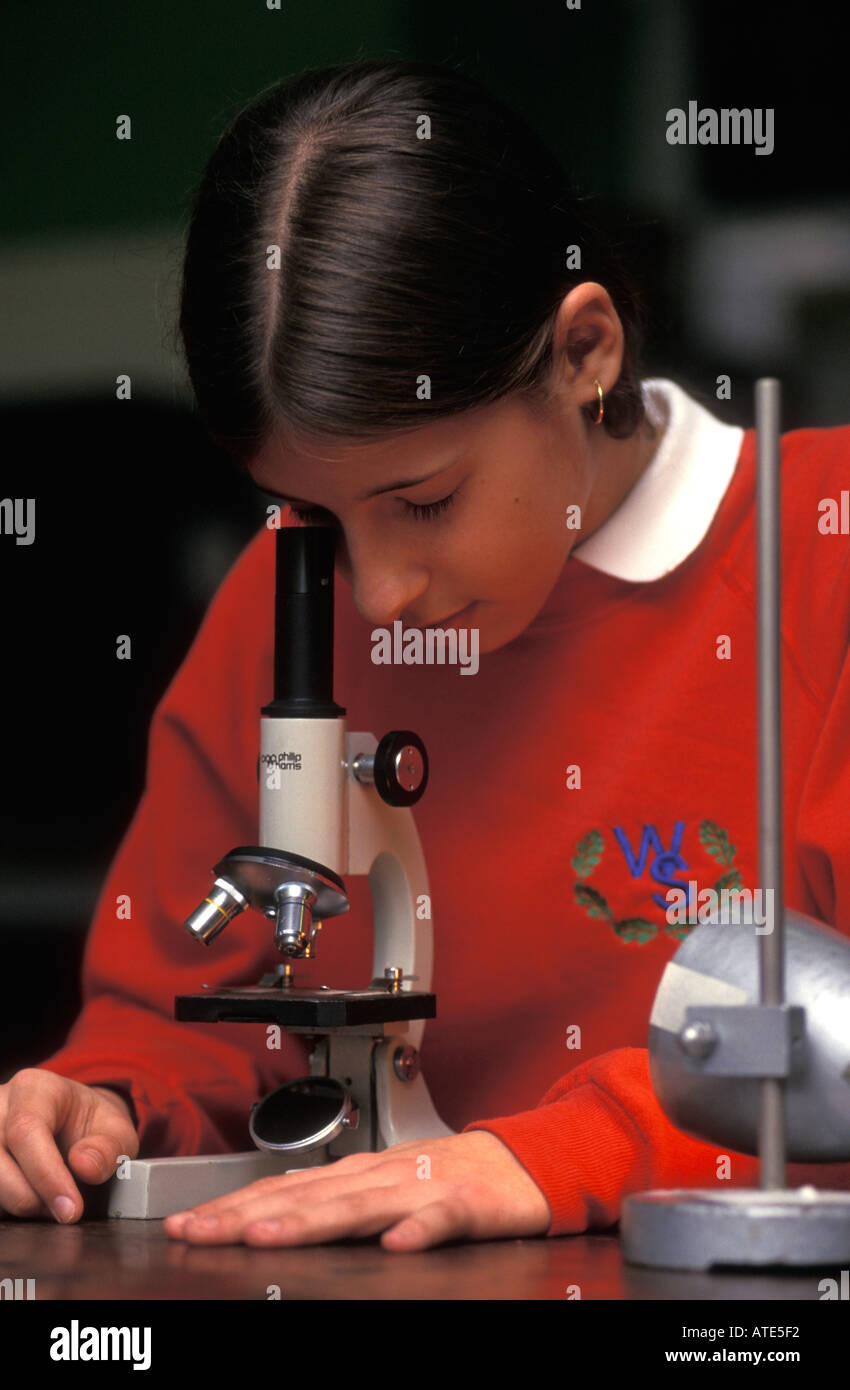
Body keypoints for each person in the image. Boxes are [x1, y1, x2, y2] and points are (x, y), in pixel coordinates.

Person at [2, 59, 849, 1252]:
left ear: (583, 351)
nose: (381, 591)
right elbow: (187, 1008)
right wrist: (105, 1099)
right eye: (316, 516)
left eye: (426, 500)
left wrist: (565, 1153)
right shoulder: (292, 590)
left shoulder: (824, 547)